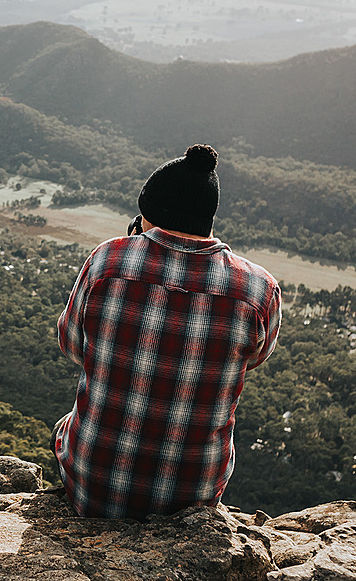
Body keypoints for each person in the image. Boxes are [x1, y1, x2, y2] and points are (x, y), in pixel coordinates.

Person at [52, 144, 281, 520]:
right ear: (208, 220)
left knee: (67, 423)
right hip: (192, 500)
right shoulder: (259, 290)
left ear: (147, 218)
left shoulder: (107, 260)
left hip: (93, 487)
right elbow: (253, 359)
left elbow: (73, 345)